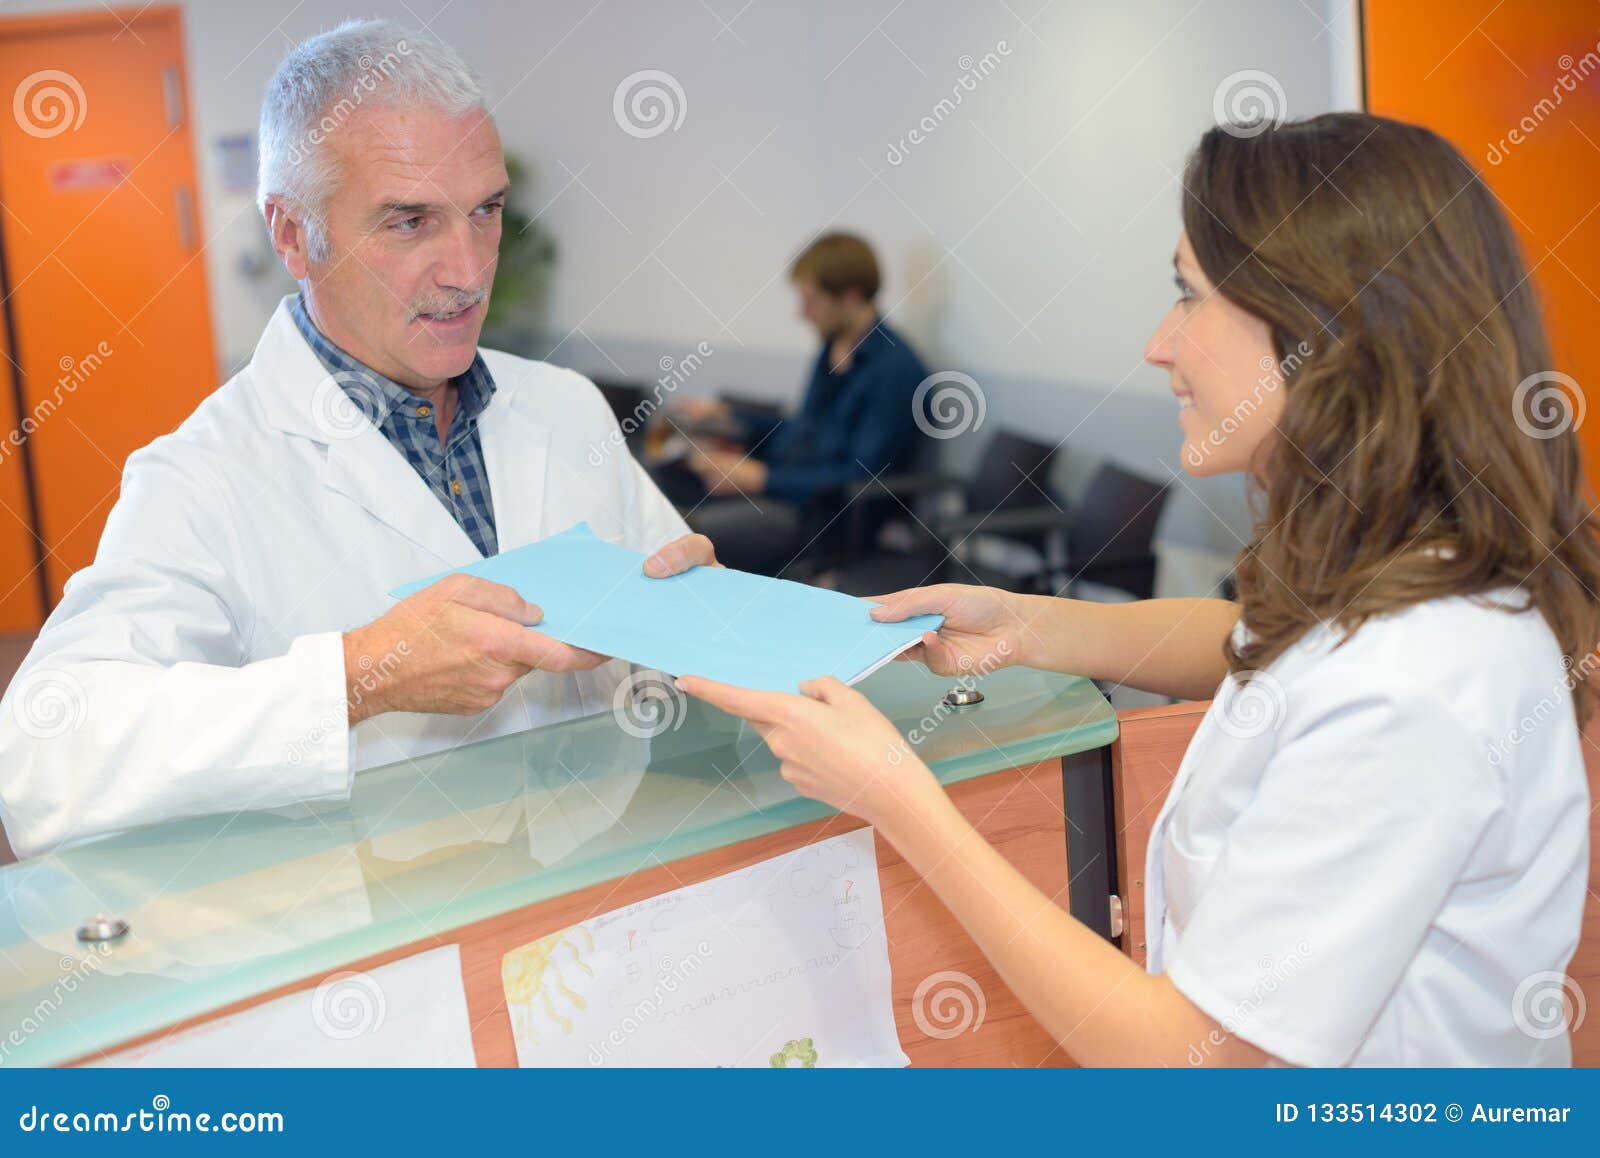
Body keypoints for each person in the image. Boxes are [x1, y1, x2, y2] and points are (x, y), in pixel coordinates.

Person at [679, 112, 1600, 1066]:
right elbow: (1262, 640)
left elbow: (1187, 1066)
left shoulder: (1417, 678)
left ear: (1324, 330)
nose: (1160, 345)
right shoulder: (1408, 581)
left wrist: (897, 797)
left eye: (1189, 297)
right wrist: (1024, 625)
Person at [0, 20, 713, 858]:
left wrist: (714, 621)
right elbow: (42, 763)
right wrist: (355, 679)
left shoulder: (565, 407)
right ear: (294, 234)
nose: (468, 270)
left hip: (593, 907)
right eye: (410, 223)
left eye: (484, 211)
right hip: (386, 965)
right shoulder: (202, 478)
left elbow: (681, 645)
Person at [651, 233, 927, 575]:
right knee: (662, 478)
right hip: (784, 488)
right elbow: (802, 429)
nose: (802, 314)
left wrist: (761, 479)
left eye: (812, 301)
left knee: (686, 532)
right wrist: (726, 416)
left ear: (851, 296)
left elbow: (858, 480)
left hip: (823, 519)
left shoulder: (895, 371)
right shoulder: (832, 351)